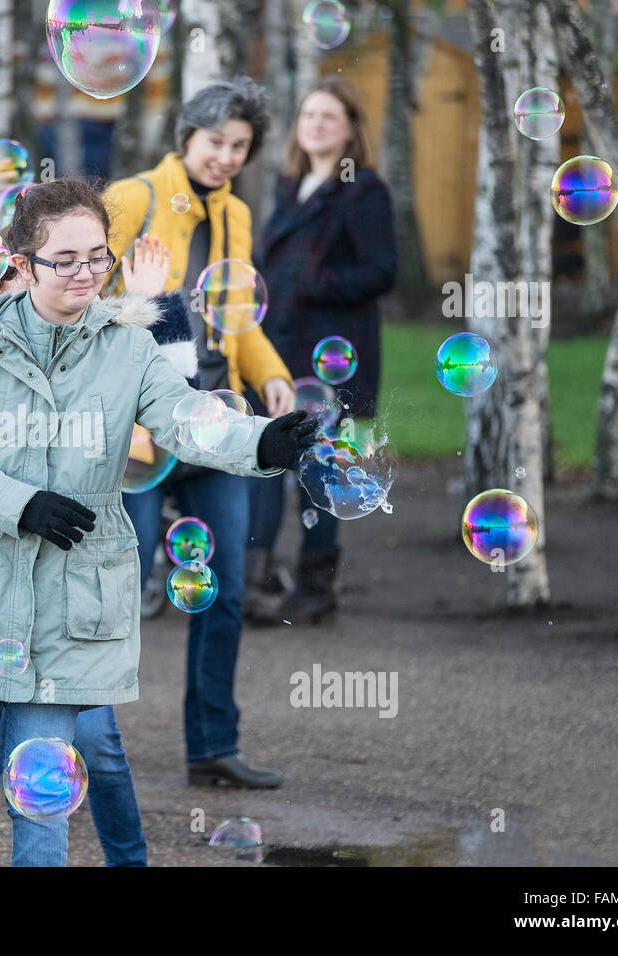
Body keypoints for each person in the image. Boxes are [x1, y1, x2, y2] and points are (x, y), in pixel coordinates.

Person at [0, 177, 318, 866]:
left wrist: (262, 442)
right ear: (24, 265)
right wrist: (19, 504)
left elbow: (188, 422)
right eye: (66, 259)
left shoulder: (127, 348)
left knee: (41, 799)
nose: (87, 273)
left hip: (69, 610)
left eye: (98, 256)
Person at [99, 77, 297, 791]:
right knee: (118, 590)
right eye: (216, 141)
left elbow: (239, 322)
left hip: (215, 426)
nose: (227, 156)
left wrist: (271, 375)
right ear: (187, 135)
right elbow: (87, 299)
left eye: (240, 146)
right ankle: (86, 748)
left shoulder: (238, 214)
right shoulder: (133, 198)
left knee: (225, 590)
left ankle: (212, 746)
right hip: (141, 429)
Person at [247, 77, 397, 626]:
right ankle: (255, 581)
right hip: (280, 347)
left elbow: (382, 271)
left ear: (351, 128)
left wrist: (310, 282)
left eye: (330, 116)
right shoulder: (291, 186)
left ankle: (316, 589)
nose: (316, 124)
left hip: (332, 357)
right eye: (308, 114)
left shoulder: (364, 190)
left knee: (320, 472)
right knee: (268, 460)